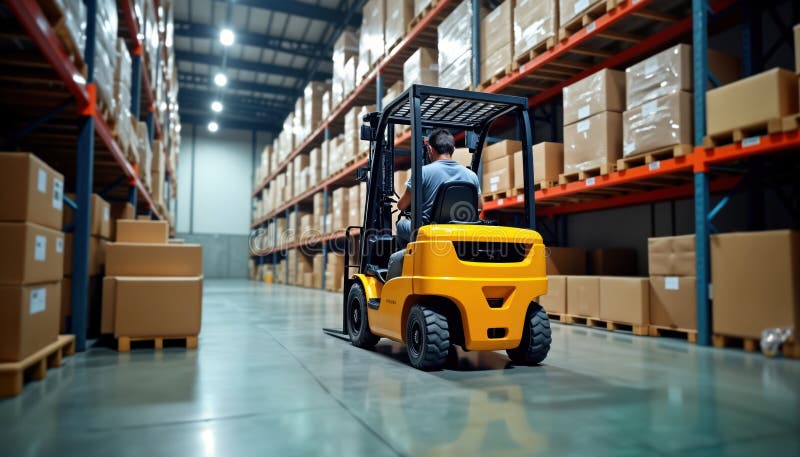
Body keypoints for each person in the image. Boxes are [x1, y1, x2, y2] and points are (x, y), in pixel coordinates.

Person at [396, 128, 482, 247]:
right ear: (453, 149)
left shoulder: (423, 172)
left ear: (430, 149)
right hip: (461, 232)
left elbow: (402, 205)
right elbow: (480, 207)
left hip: (432, 232)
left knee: (401, 224)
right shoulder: (472, 176)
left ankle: (408, 258)